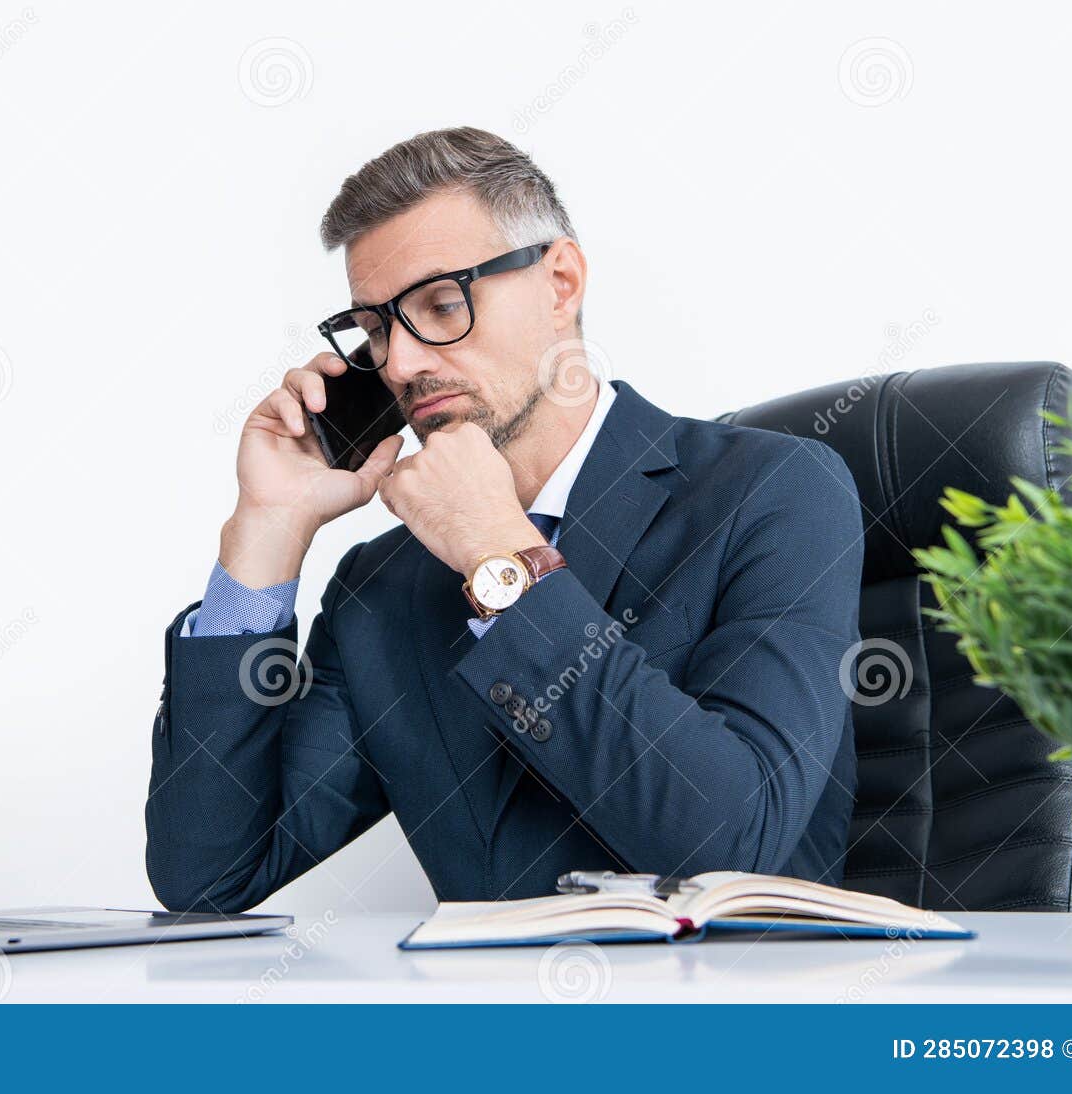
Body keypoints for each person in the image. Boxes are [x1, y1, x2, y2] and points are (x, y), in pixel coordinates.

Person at [146, 127, 863, 913]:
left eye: (442, 305)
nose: (402, 365)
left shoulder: (774, 492)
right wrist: (266, 532)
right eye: (378, 329)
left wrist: (497, 554)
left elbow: (727, 846)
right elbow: (208, 876)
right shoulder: (382, 588)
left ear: (560, 283)